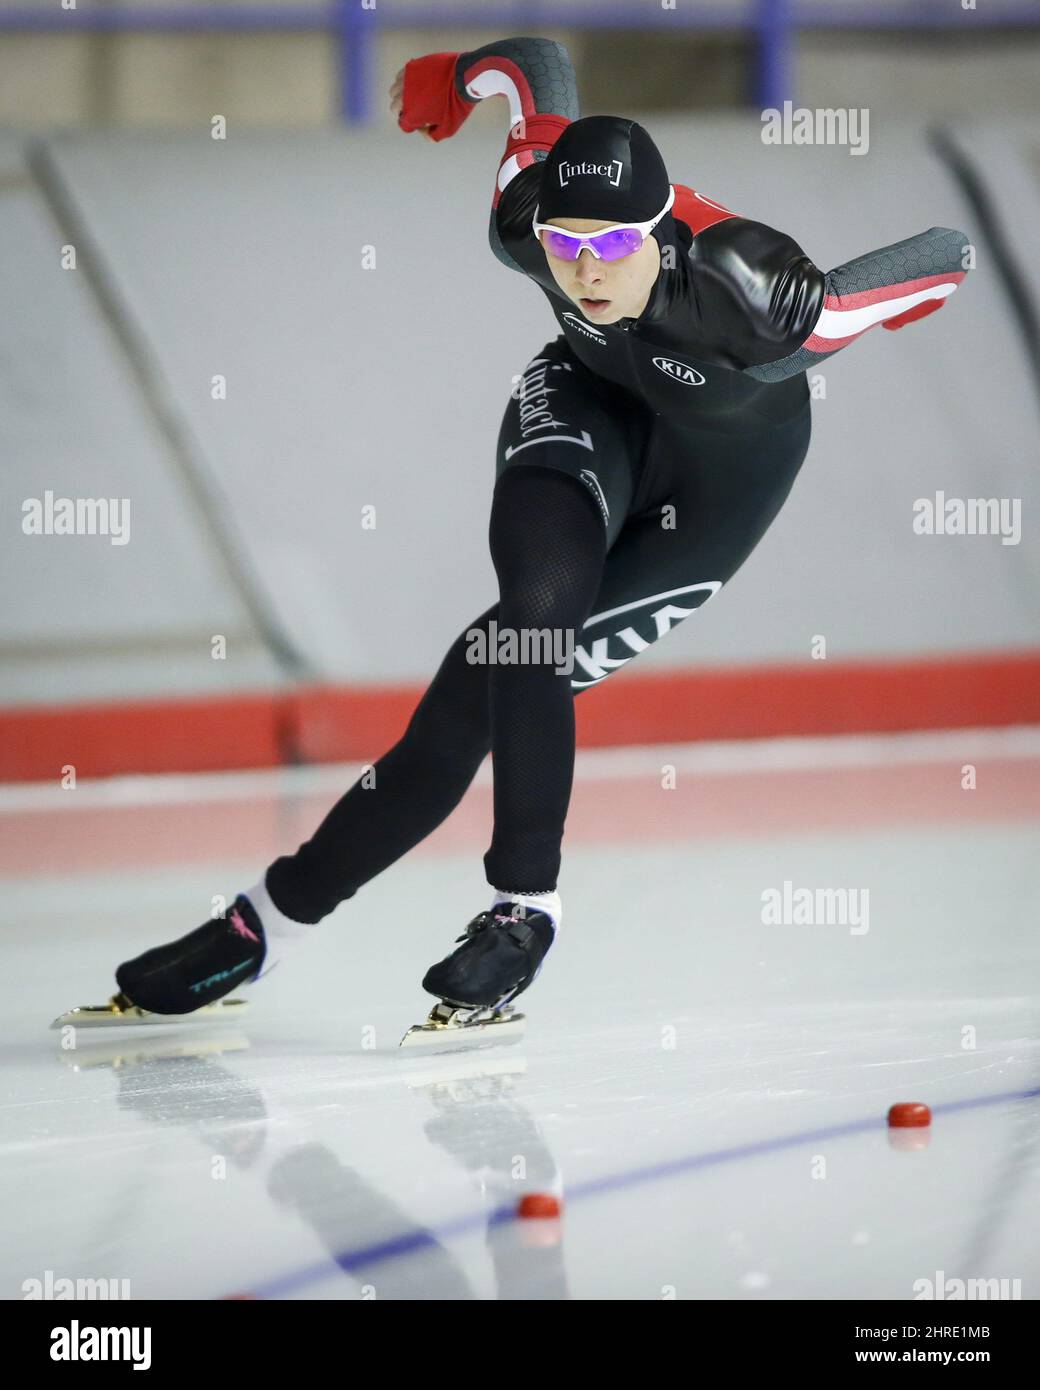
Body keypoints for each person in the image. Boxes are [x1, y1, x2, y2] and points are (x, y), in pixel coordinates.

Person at [113, 37, 969, 1023]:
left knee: (473, 702)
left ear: (662, 236)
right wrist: (452, 76)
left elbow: (945, 253)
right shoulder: (523, 214)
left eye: (613, 249)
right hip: (588, 400)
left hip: (723, 478)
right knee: (530, 624)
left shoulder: (762, 299)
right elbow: (533, 70)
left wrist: (879, 307)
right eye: (568, 247)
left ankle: (508, 914)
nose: (586, 272)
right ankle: (286, 926)